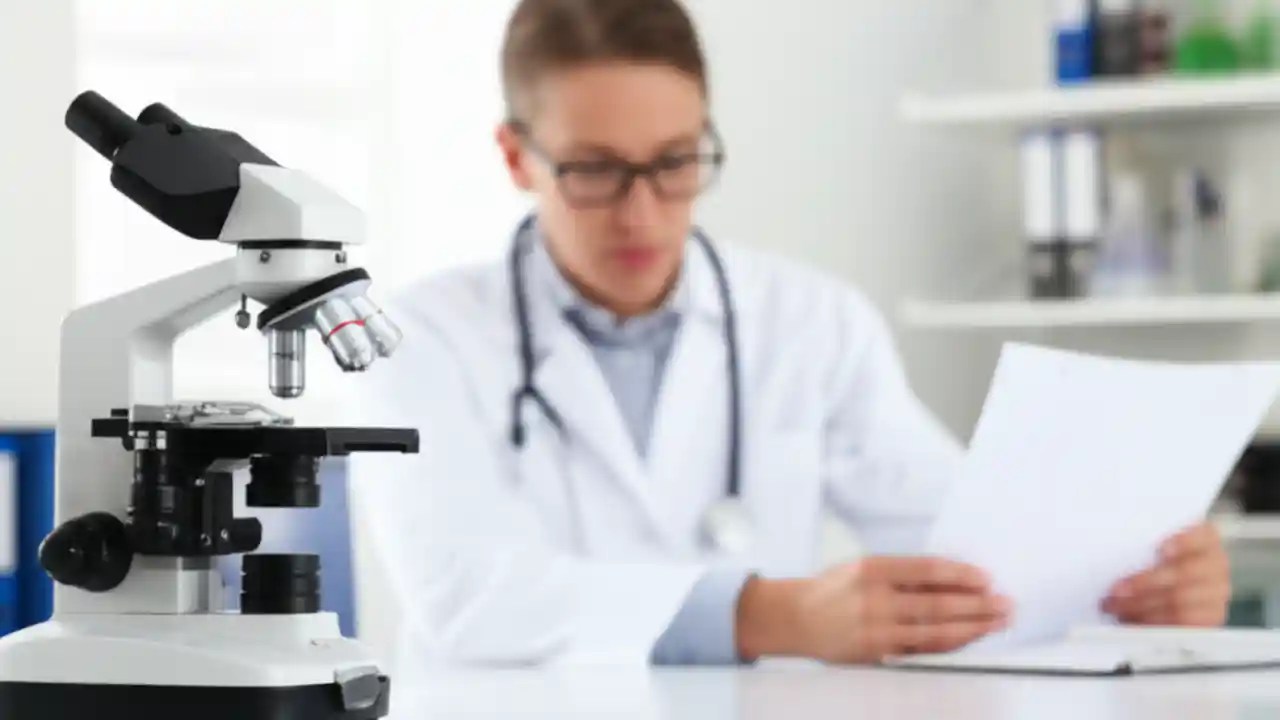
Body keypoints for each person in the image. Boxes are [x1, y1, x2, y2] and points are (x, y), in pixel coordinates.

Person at [349, 0, 1230, 668]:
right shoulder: (422, 338)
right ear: (515, 157)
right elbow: (462, 595)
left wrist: (1128, 586)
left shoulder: (810, 321)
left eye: (676, 162)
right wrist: (760, 613)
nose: (644, 212)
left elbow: (962, 540)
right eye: (595, 171)